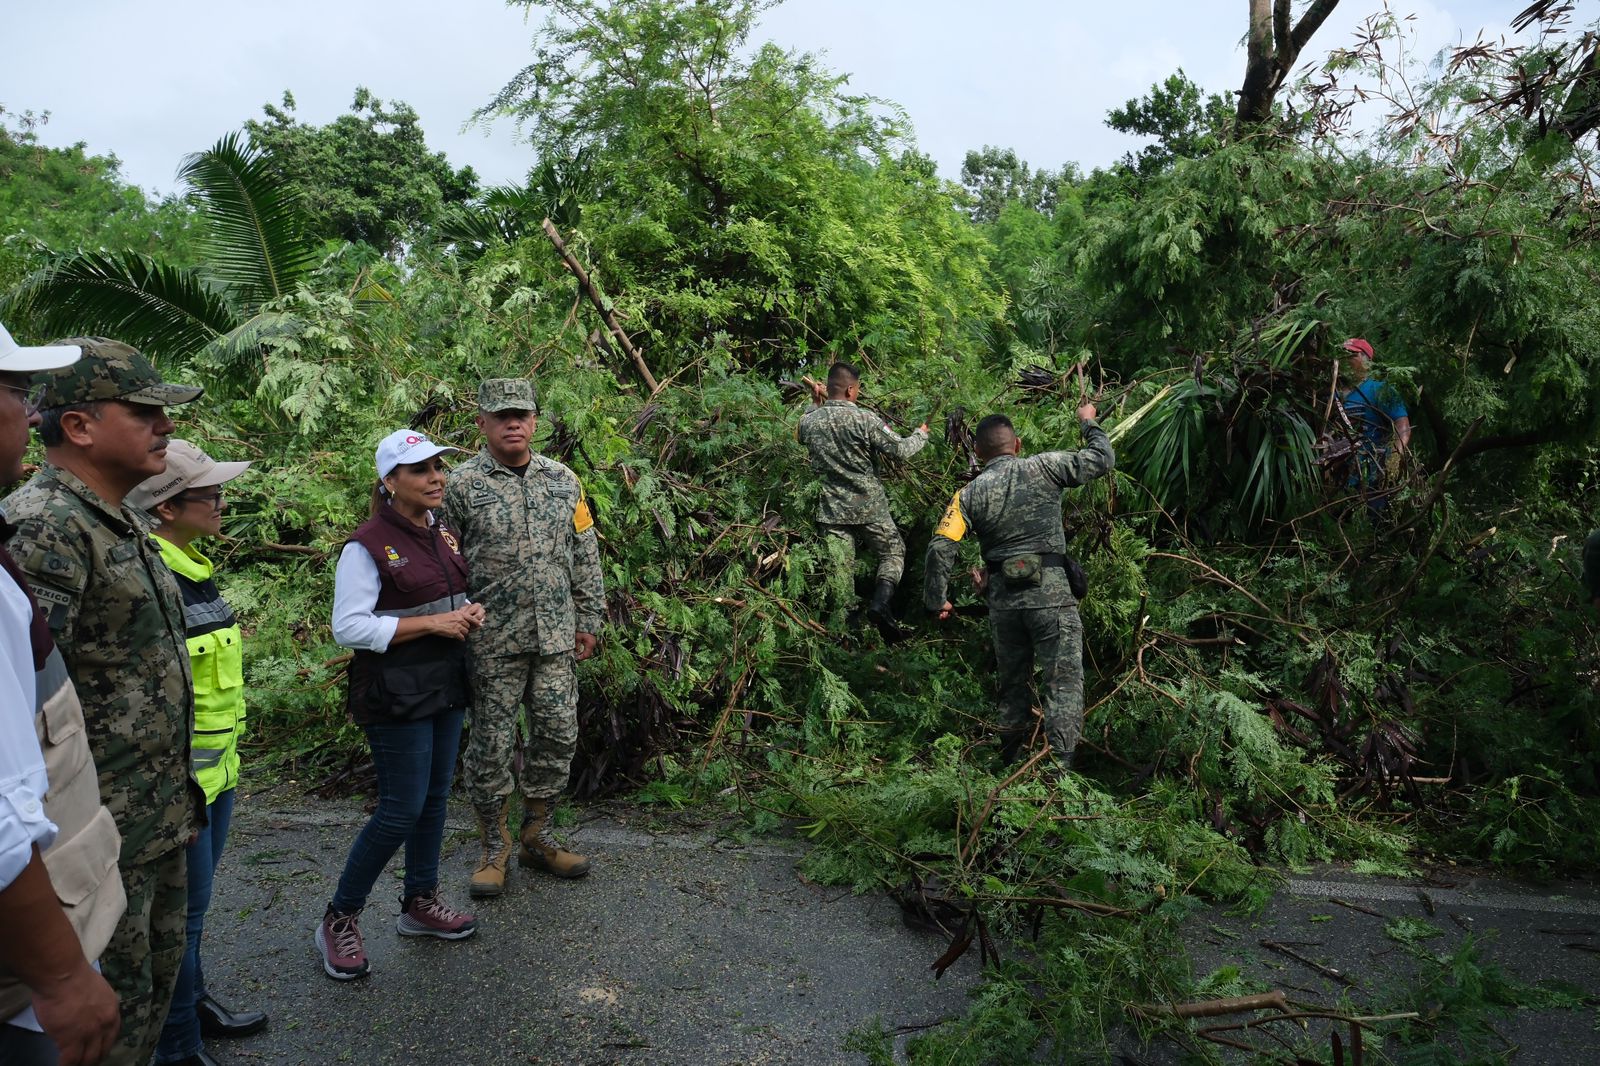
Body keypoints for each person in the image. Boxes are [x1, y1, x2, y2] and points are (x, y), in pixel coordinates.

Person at [2, 339, 206, 1066]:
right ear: (80, 426)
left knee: (143, 1015)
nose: (166, 427)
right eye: (145, 412)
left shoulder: (113, 518)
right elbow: (23, 711)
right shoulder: (46, 527)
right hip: (89, 846)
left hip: (147, 826)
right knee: (99, 1037)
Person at [316, 429, 484, 981]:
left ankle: (420, 901)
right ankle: (339, 916)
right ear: (390, 482)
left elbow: (444, 599)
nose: (436, 477)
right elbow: (348, 626)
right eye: (421, 470)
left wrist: (465, 613)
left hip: (446, 684)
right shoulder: (365, 545)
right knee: (401, 808)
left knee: (434, 800)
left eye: (439, 467)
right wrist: (433, 622)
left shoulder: (444, 534)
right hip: (395, 693)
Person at [0, 324, 124, 1066]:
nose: (28, 411)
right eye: (16, 391)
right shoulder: (46, 524)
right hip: (26, 971)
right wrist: (59, 973)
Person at [128, 442, 266, 1063]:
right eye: (208, 492)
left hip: (217, 772)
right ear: (164, 507)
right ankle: (176, 1044)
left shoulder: (191, 565)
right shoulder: (151, 571)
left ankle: (195, 1004)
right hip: (180, 779)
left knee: (196, 909)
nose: (220, 501)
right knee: (178, 915)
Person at [443, 378, 603, 898]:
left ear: (536, 422)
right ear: (482, 424)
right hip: (490, 641)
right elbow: (443, 564)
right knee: (490, 745)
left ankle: (538, 835)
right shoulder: (461, 486)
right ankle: (495, 845)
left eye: (523, 415)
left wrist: (589, 617)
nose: (514, 423)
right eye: (501, 415)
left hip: (555, 637)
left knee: (557, 736)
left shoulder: (563, 480)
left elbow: (585, 551)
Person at [923, 404, 1114, 771]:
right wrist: (1087, 420)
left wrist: (937, 600)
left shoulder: (967, 495)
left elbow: (940, 549)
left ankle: (1010, 763)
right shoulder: (1045, 465)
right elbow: (1102, 458)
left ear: (977, 452)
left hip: (1005, 607)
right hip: (1053, 602)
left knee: (1012, 687)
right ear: (1018, 444)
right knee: (1063, 685)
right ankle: (1061, 773)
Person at [796, 362, 928, 635]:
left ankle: (845, 637)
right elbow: (901, 450)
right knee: (893, 553)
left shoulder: (810, 420)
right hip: (870, 508)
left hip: (832, 512)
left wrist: (814, 403)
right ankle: (880, 603)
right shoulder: (865, 419)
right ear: (851, 389)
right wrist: (921, 435)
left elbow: (800, 433)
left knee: (840, 576)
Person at [1338, 337, 1411, 489]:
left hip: (1371, 477)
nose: (1345, 359)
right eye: (1342, 355)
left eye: (1352, 355)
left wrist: (1394, 458)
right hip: (1337, 479)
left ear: (1367, 362)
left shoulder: (1379, 390)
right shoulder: (1332, 393)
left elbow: (1402, 425)